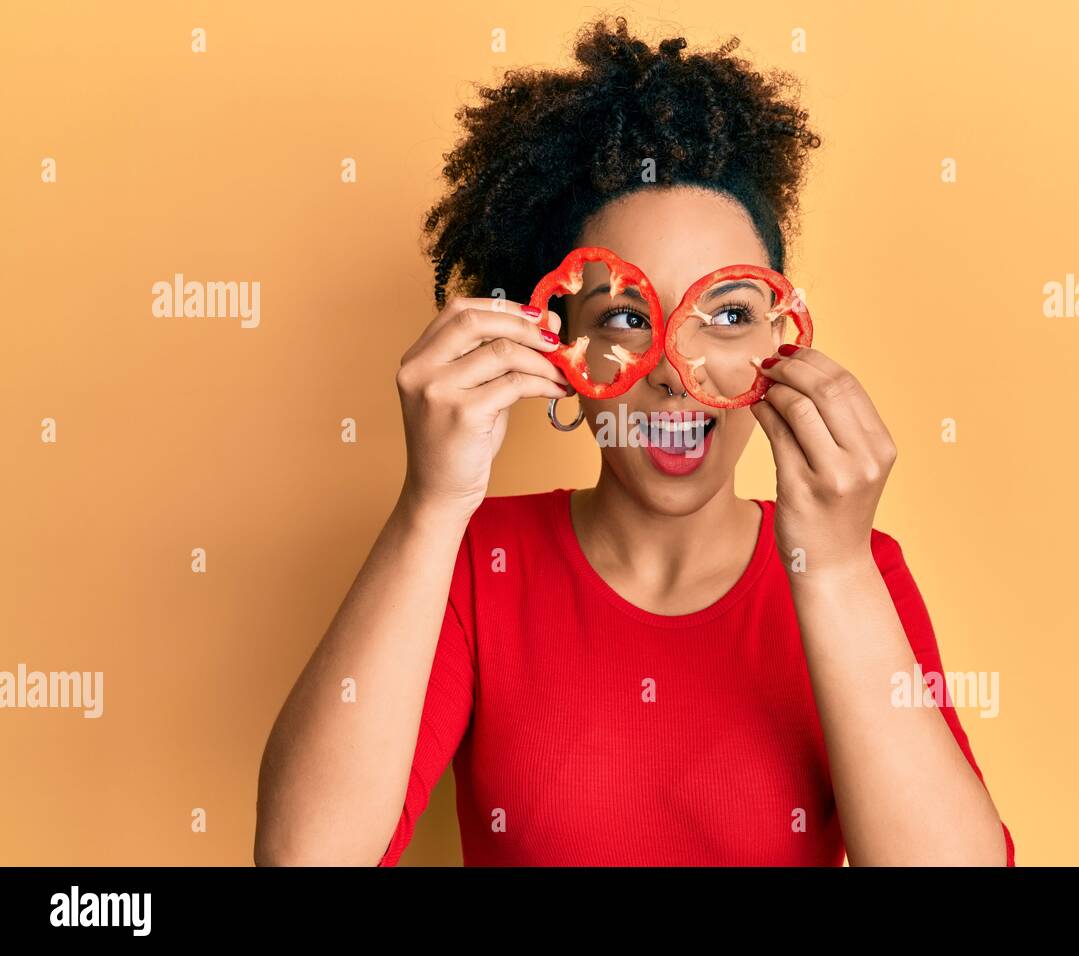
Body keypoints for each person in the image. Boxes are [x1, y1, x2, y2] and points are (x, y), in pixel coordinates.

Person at [255, 16, 1014, 867]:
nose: (672, 369)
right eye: (624, 315)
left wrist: (833, 572)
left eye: (726, 314)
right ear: (558, 347)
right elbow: (307, 858)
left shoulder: (861, 570)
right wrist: (430, 506)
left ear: (782, 338)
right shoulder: (478, 564)